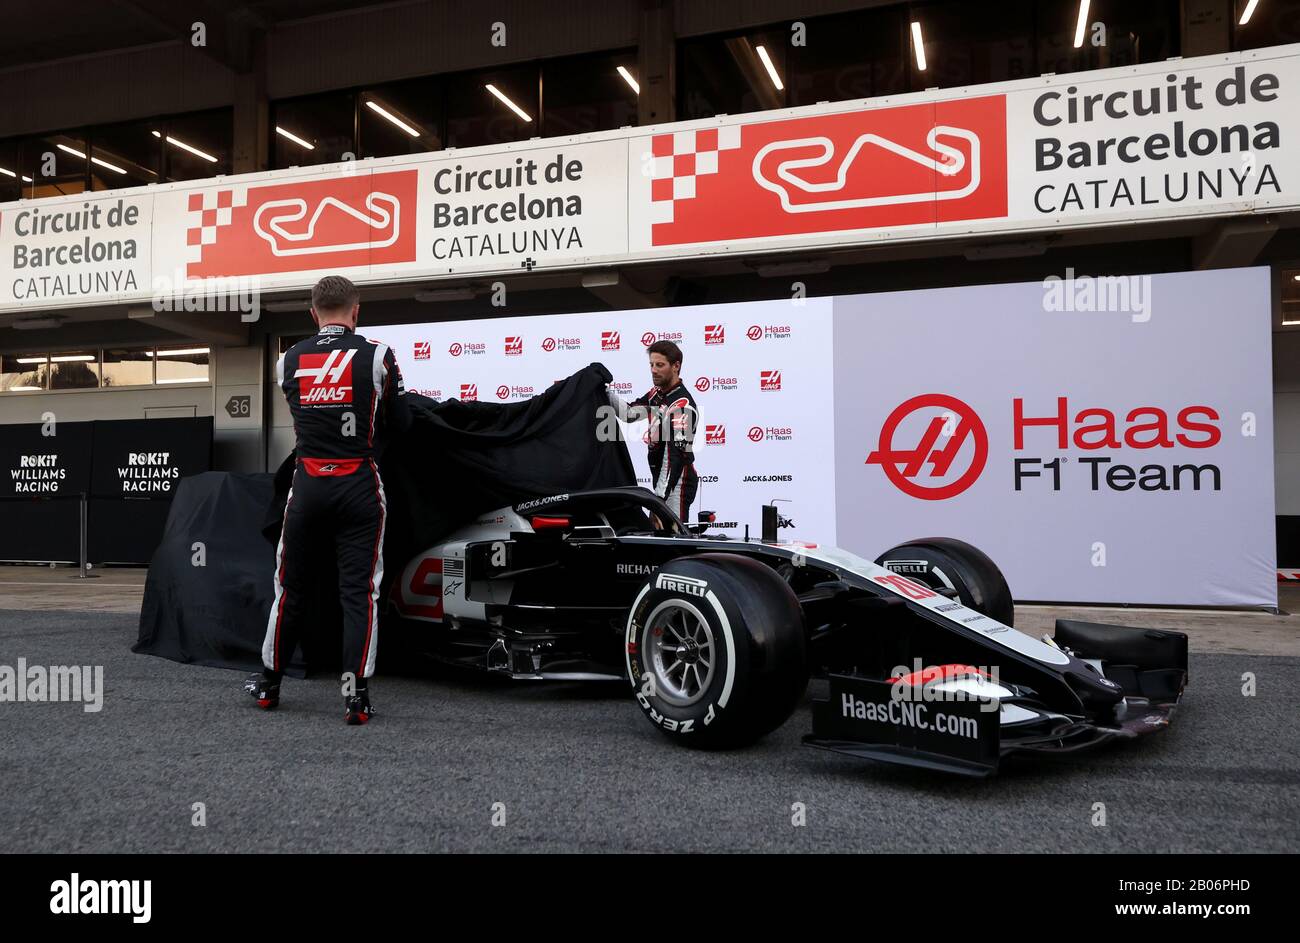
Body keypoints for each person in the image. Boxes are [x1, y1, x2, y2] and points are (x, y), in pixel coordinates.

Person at [245, 275, 411, 725]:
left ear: (313, 313)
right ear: (356, 312)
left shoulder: (289, 360)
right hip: (360, 486)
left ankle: (268, 685)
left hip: (309, 487)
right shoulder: (378, 355)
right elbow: (402, 422)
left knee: (291, 590)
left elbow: (305, 417)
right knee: (359, 594)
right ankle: (356, 697)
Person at [607, 340, 699, 522]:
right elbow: (630, 413)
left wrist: (659, 499)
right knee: (660, 536)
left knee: (673, 540)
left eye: (660, 365)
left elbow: (675, 457)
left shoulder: (682, 405)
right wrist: (604, 392)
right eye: (651, 365)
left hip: (677, 484)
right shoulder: (657, 394)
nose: (654, 370)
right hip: (663, 481)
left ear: (676, 366)